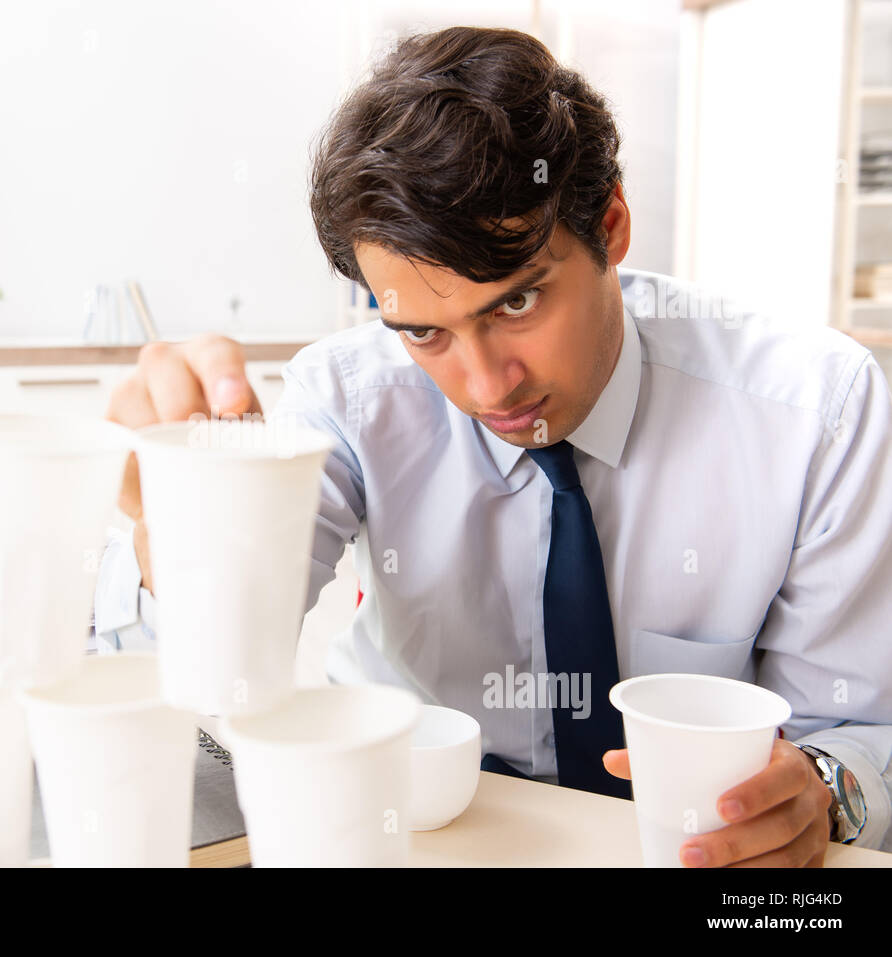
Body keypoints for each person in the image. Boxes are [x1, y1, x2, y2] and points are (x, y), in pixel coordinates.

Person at [95, 26, 892, 865]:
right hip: (412, 830)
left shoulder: (816, 410)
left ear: (612, 224)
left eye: (516, 304)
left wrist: (818, 788)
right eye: (423, 333)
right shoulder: (348, 399)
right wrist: (175, 538)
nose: (486, 387)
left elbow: (861, 728)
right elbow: (197, 674)